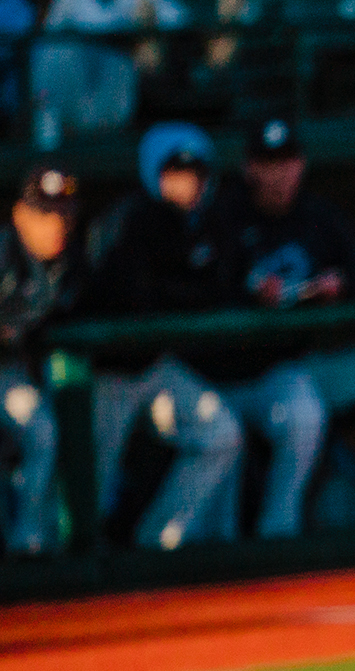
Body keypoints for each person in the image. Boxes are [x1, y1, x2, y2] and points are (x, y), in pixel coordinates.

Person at [208, 118, 355, 539]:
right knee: (219, 449)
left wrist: (338, 286)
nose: (278, 174)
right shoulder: (223, 214)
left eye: (286, 162)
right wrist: (247, 294)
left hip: (276, 368)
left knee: (305, 417)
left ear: (301, 166)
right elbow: (202, 288)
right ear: (250, 168)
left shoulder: (318, 216)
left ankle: (278, 535)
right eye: (268, 163)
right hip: (215, 374)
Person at [85, 122, 244, 550]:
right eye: (175, 173)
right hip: (108, 373)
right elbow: (133, 297)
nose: (186, 184)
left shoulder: (202, 224)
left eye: (194, 174)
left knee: (222, 433)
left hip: (155, 368)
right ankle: (59, 567)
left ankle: (158, 541)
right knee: (90, 483)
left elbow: (213, 290)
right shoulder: (128, 221)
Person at [0, 166, 83, 557]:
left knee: (42, 429)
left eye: (62, 213)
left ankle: (29, 545)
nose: (56, 225)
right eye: (44, 214)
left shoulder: (76, 258)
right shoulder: (3, 253)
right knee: (38, 427)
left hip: (19, 376)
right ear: (19, 214)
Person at [31, 0, 187, 139]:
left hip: (113, 87)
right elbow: (93, 23)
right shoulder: (68, 4)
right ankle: (48, 146)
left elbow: (178, 17)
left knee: (131, 53)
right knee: (56, 53)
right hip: (74, 87)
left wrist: (149, 16)